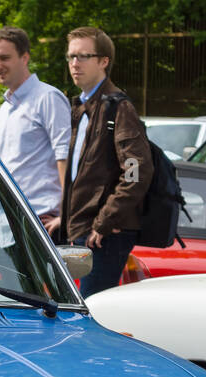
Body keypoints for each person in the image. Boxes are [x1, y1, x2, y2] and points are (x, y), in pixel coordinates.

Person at [61, 27, 152, 297]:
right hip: (82, 230)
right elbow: (79, 174)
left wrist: (105, 220)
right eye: (71, 57)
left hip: (102, 235)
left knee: (93, 313)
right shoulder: (80, 107)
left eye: (83, 56)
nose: (75, 64)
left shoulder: (118, 107)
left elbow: (137, 170)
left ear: (104, 61)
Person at [0, 27, 71, 235]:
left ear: (25, 58)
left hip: (42, 222)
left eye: (4, 58)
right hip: (9, 220)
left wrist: (67, 216)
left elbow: (65, 157)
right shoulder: (5, 108)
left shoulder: (48, 98)